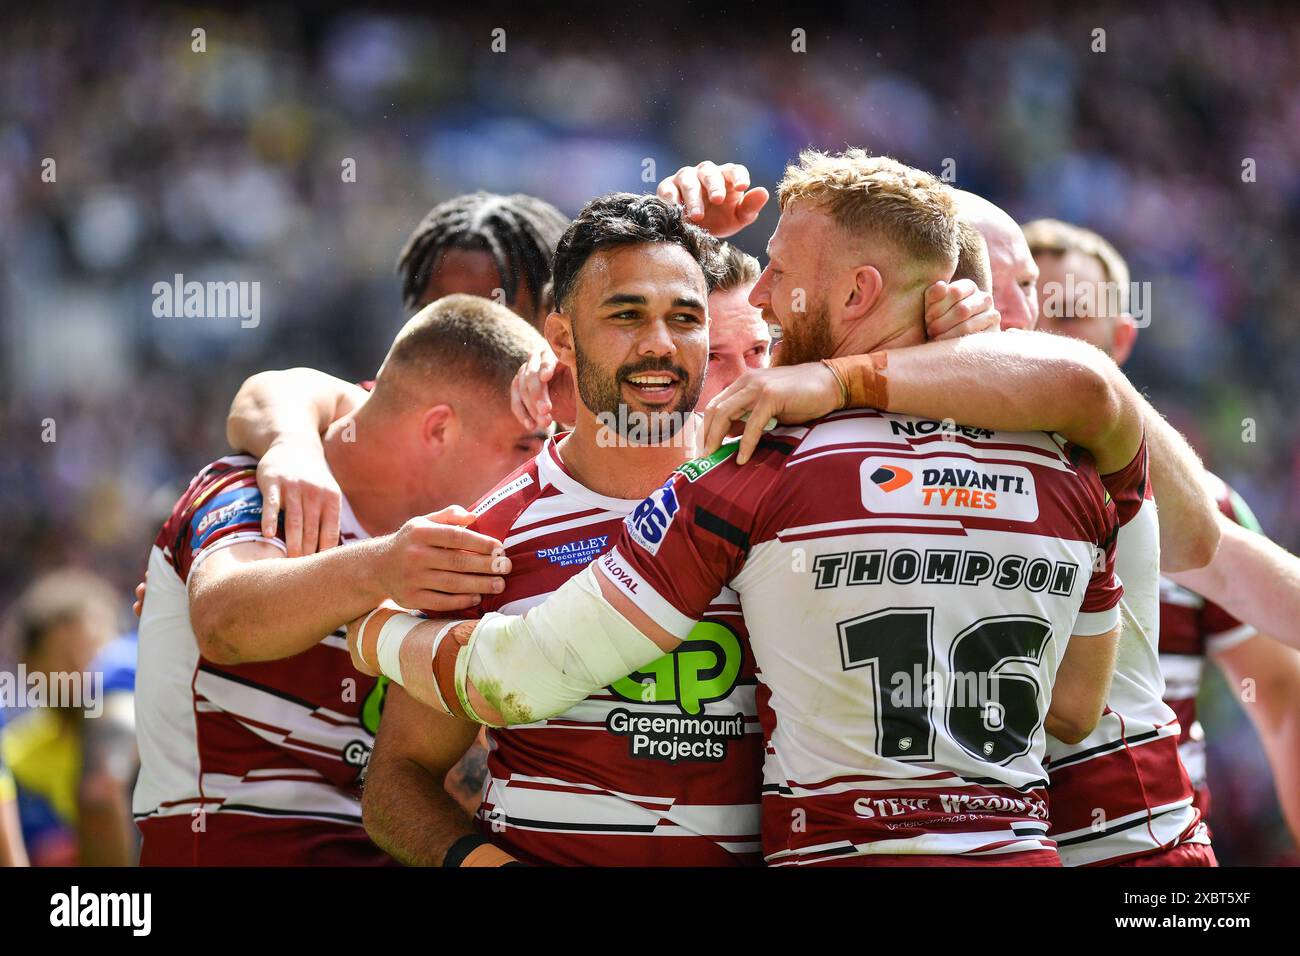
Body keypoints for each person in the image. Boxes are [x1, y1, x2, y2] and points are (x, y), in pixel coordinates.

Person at [349, 151, 1160, 866]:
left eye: (776, 272)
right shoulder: (1065, 464)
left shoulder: (756, 469)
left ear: (856, 290)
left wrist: (371, 626)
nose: (762, 296)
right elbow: (1073, 708)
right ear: (561, 338)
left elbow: (522, 673)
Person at [362, 193, 768, 866]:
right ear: (560, 339)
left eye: (685, 318)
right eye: (626, 315)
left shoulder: (776, 499)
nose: (661, 344)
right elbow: (395, 782)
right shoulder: (487, 536)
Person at [133, 295, 545, 865]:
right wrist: (382, 569)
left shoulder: (457, 542)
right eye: (525, 447)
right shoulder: (256, 488)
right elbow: (223, 622)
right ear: (439, 429)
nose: (534, 472)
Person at [1025, 217, 1300, 849]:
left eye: (1069, 314)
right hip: (1003, 843)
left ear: (1121, 339)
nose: (1044, 336)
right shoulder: (956, 481)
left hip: (1156, 847)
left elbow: (1281, 697)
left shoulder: (1200, 503)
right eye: (1027, 310)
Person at [0, 571, 136, 866]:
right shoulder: (14, 758)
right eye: (65, 655)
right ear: (30, 665)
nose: (84, 669)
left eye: (95, 648)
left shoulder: (146, 739)